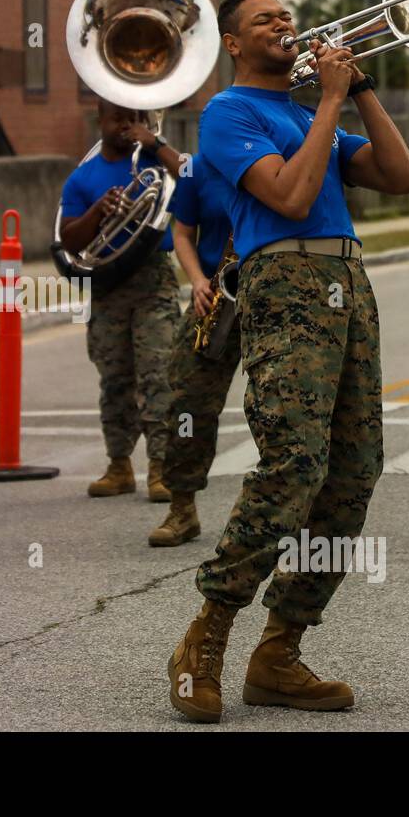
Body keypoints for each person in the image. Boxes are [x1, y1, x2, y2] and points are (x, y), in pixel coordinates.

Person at [168, 0, 409, 723]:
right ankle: (205, 636)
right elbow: (290, 196)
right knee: (294, 465)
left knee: (353, 471)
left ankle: (280, 650)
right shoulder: (229, 113)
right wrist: (333, 105)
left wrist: (360, 88)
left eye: (287, 14)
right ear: (236, 45)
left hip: (347, 281)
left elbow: (402, 177)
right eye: (264, 20)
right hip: (284, 284)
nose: (284, 24)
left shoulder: (312, 113)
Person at [59, 98, 183, 502]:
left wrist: (156, 141)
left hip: (154, 279)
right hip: (107, 285)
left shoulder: (156, 163)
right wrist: (99, 211)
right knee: (115, 378)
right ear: (101, 120)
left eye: (135, 119)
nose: (128, 126)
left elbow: (193, 176)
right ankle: (119, 465)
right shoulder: (83, 177)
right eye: (119, 119)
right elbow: (69, 240)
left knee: (159, 374)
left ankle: (162, 468)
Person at [148, 155, 238, 547]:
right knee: (187, 401)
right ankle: (182, 508)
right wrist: (198, 281)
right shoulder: (198, 166)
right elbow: (182, 233)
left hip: (275, 294)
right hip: (215, 296)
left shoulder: (283, 151)